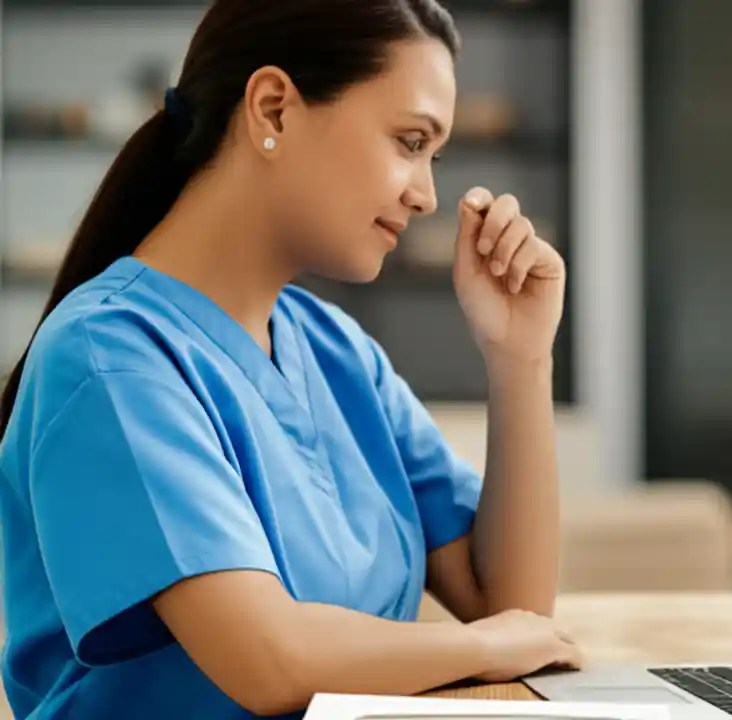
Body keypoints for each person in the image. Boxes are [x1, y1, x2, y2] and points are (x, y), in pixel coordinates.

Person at [0, 1, 582, 717]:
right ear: (273, 110)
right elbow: (270, 661)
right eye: (408, 141)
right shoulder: (109, 358)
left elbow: (512, 606)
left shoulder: (335, 351)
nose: (427, 194)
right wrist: (489, 648)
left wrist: (520, 360)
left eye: (436, 155)